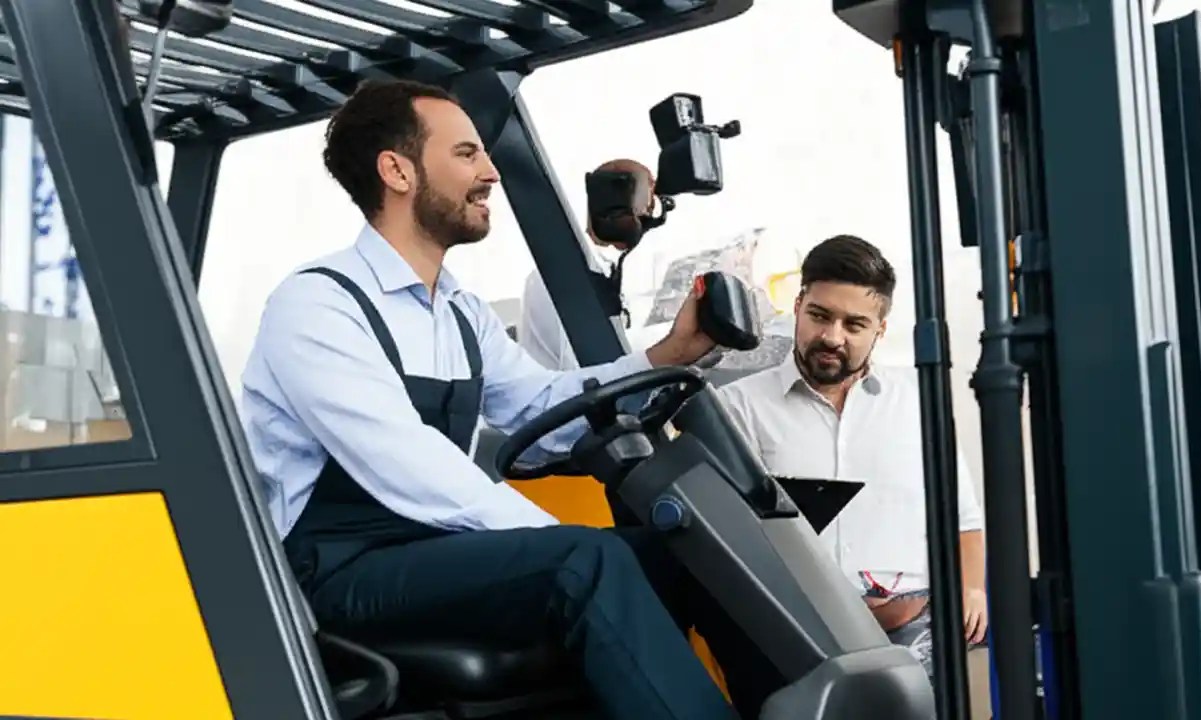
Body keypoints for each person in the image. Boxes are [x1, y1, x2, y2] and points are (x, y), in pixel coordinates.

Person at [239, 79, 783, 720]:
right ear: (397, 171)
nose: (490, 172)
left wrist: (665, 357)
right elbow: (408, 466)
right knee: (590, 561)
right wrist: (560, 540)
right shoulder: (319, 306)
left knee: (684, 554)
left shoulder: (460, 311)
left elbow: (539, 408)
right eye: (467, 154)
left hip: (429, 554)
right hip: (335, 575)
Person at [715, 234, 988, 682]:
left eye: (854, 325)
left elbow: (961, 515)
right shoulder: (737, 408)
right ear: (799, 305)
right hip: (797, 640)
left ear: (879, 329)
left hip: (913, 636)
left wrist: (972, 588)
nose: (831, 337)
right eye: (819, 316)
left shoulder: (919, 400)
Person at [518, 158, 655, 370]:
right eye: (645, 208)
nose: (649, 217)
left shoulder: (606, 268)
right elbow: (589, 369)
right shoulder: (565, 276)